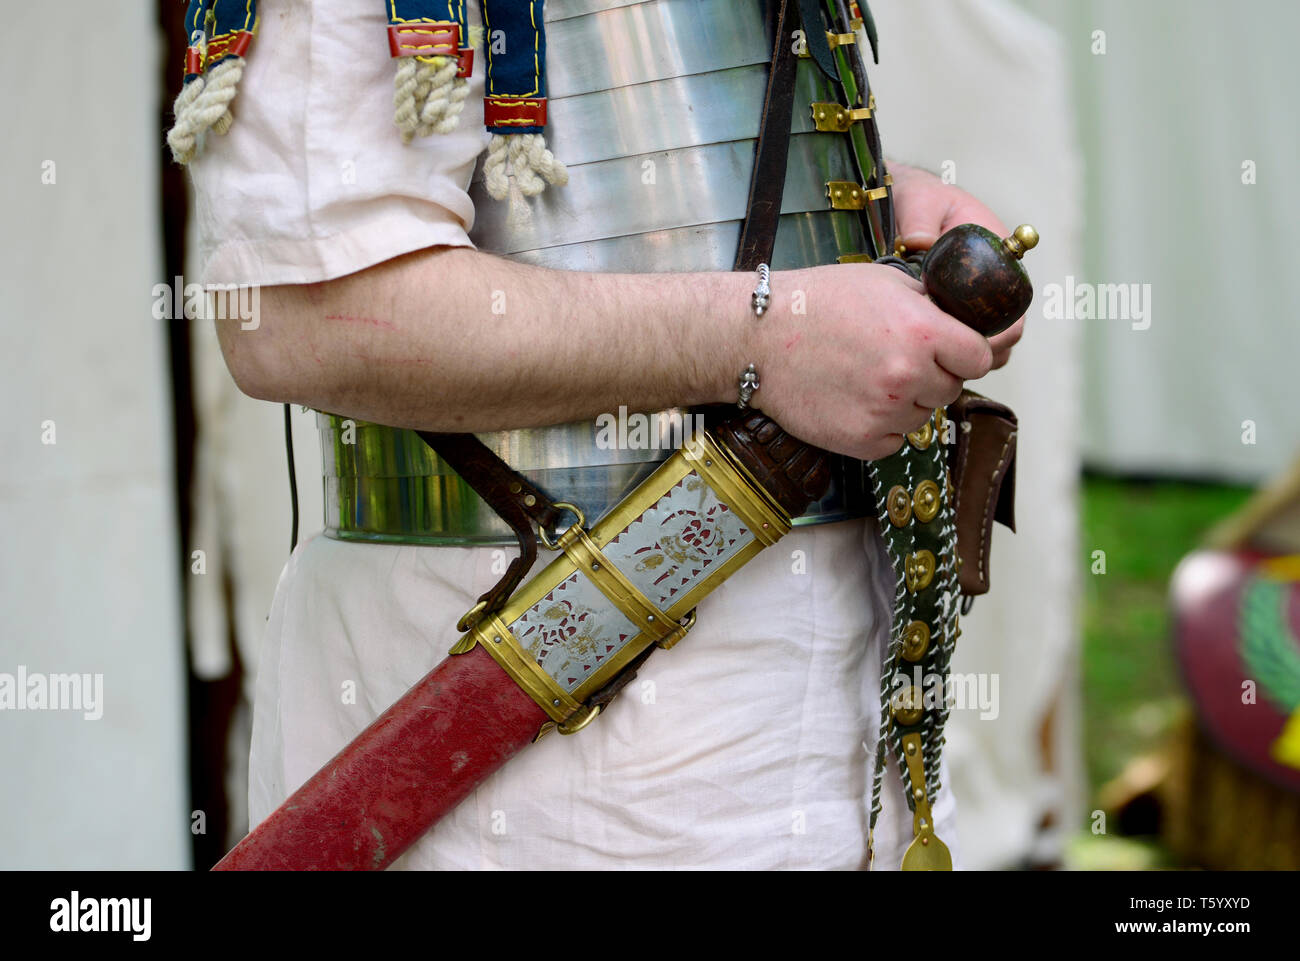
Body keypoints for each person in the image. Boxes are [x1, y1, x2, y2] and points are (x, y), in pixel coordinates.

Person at [185, 0, 1024, 869]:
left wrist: (877, 208)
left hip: (856, 710)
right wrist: (765, 335)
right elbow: (302, 316)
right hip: (554, 754)